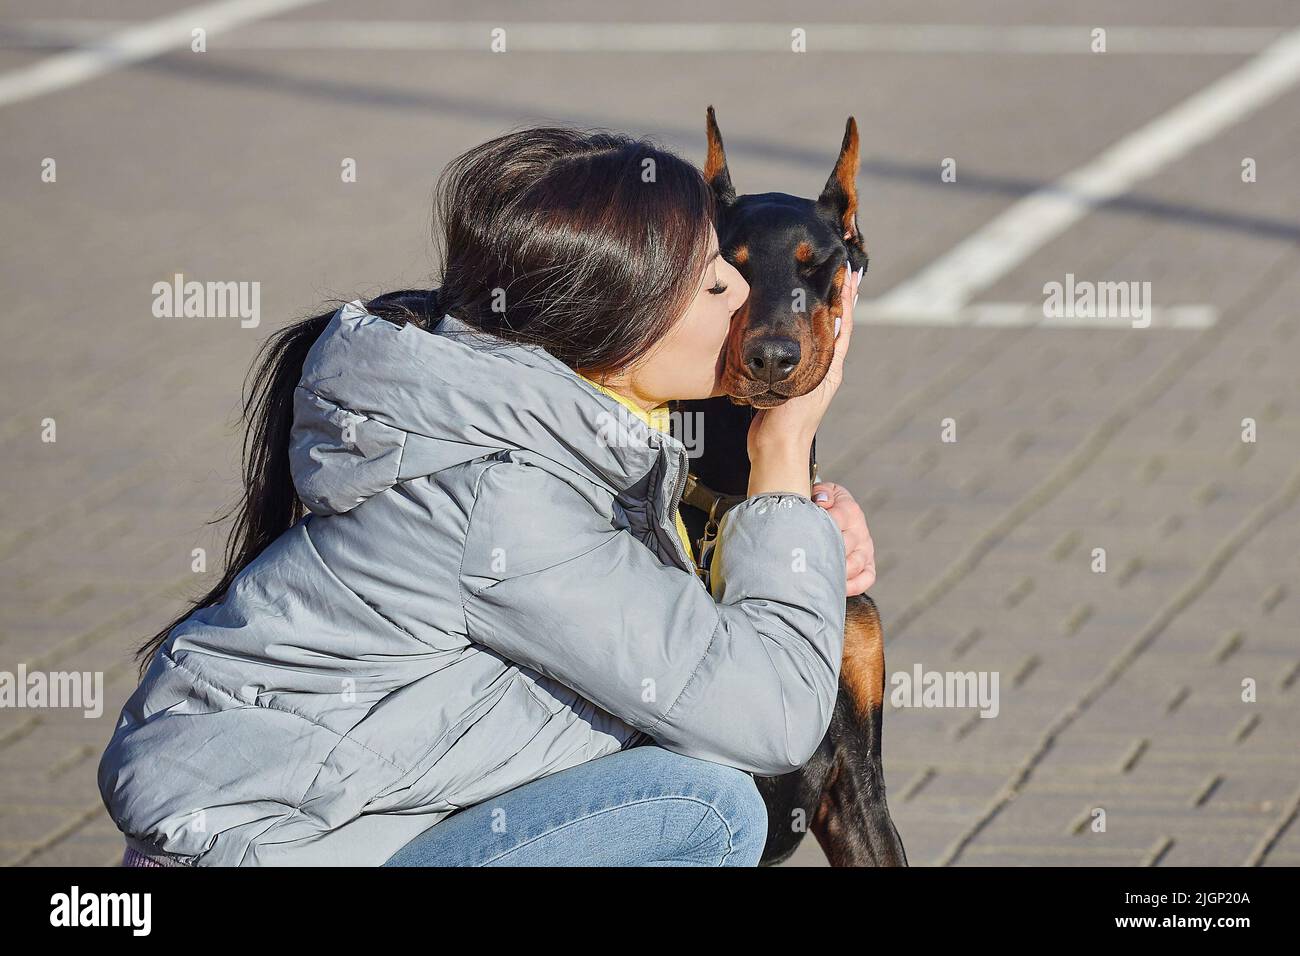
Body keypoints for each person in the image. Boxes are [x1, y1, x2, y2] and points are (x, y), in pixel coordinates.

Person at [98, 125, 870, 867]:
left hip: (344, 825)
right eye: (712, 280)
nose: (748, 297)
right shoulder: (504, 501)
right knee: (704, 806)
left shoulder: (544, 416)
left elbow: (662, 640)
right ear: (619, 322)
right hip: (273, 852)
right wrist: (780, 457)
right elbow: (769, 719)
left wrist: (799, 536)